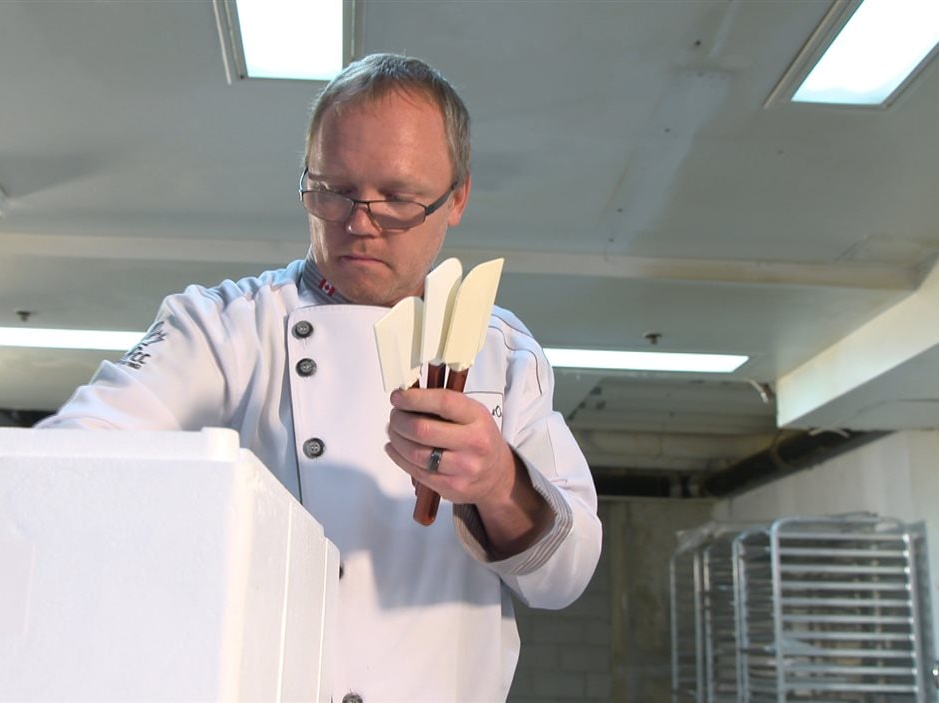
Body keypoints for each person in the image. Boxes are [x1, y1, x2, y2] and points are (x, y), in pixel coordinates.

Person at [39, 53, 601, 702]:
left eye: (398, 199)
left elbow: (565, 577)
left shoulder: (503, 352)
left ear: (457, 199)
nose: (359, 223)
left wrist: (500, 483)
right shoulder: (223, 326)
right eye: (333, 190)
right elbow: (71, 454)